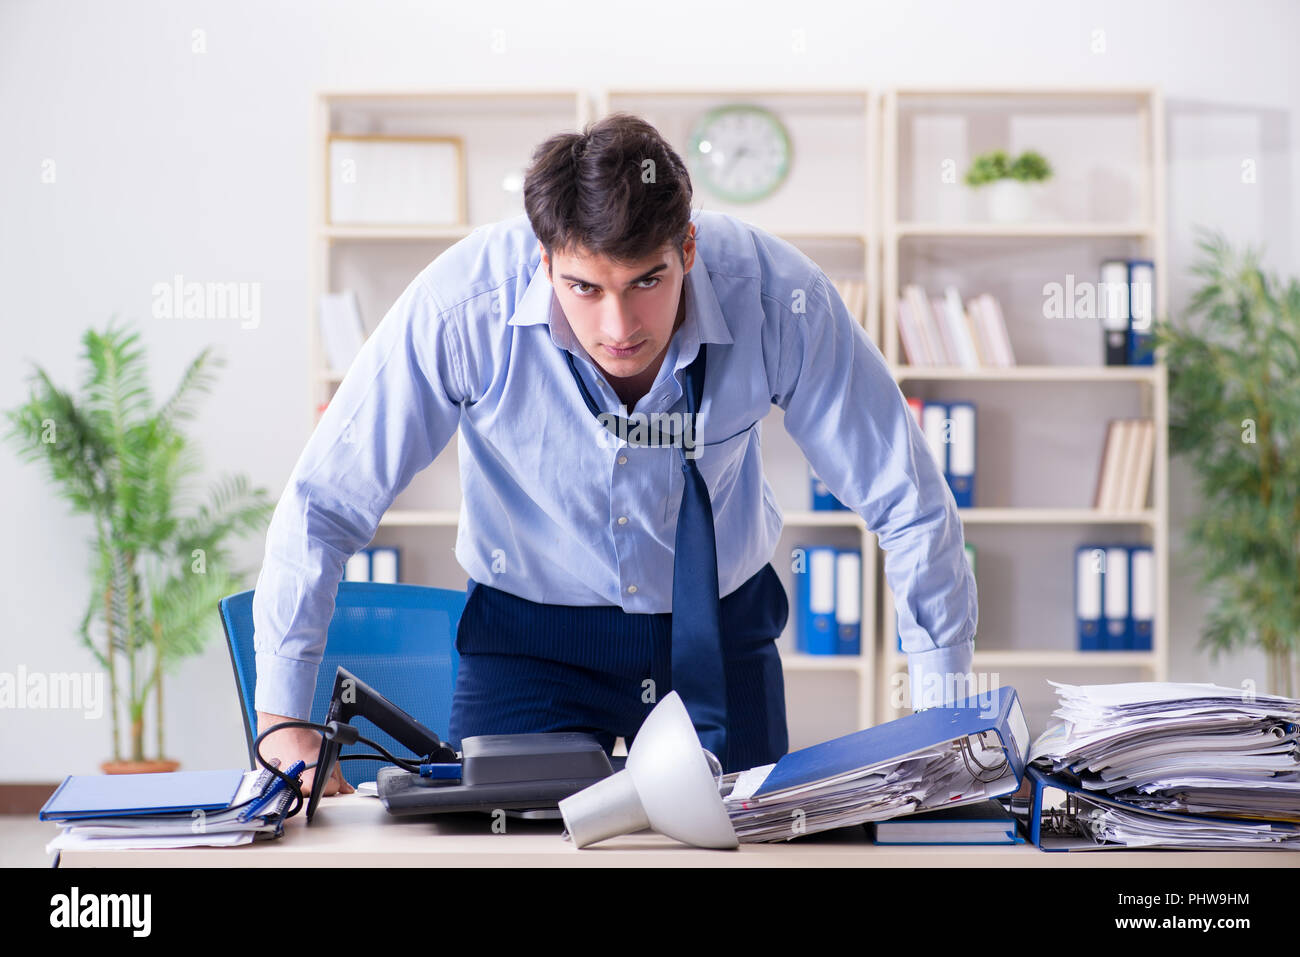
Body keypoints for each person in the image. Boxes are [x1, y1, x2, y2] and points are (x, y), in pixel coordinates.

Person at [254, 112, 977, 797]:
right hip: (528, 638)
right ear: (545, 262)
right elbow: (324, 503)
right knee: (491, 853)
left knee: (744, 848)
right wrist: (283, 720)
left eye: (647, 283)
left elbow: (907, 497)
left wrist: (942, 718)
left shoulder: (778, 299)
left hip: (718, 628)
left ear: (686, 248)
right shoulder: (463, 308)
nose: (619, 325)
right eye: (584, 287)